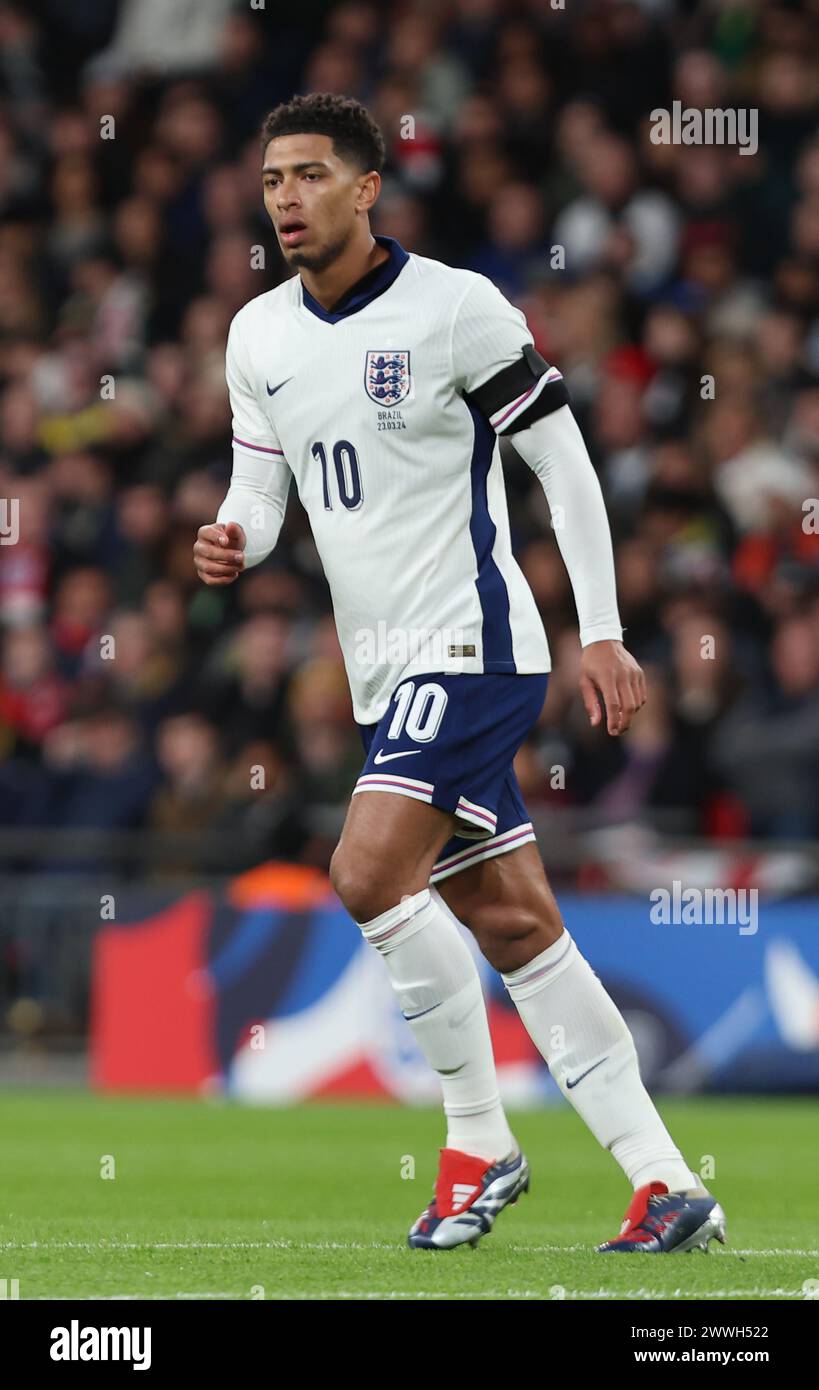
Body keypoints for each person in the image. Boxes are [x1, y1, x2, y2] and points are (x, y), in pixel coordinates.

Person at [193, 93, 726, 1255]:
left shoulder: (456, 309)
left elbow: (565, 465)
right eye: (274, 178)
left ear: (369, 185)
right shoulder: (258, 337)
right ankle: (666, 1181)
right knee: (514, 920)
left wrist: (602, 627)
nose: (288, 197)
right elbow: (268, 492)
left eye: (313, 175)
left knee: (365, 870)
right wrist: (235, 533)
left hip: (474, 647)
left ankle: (478, 1139)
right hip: (387, 673)